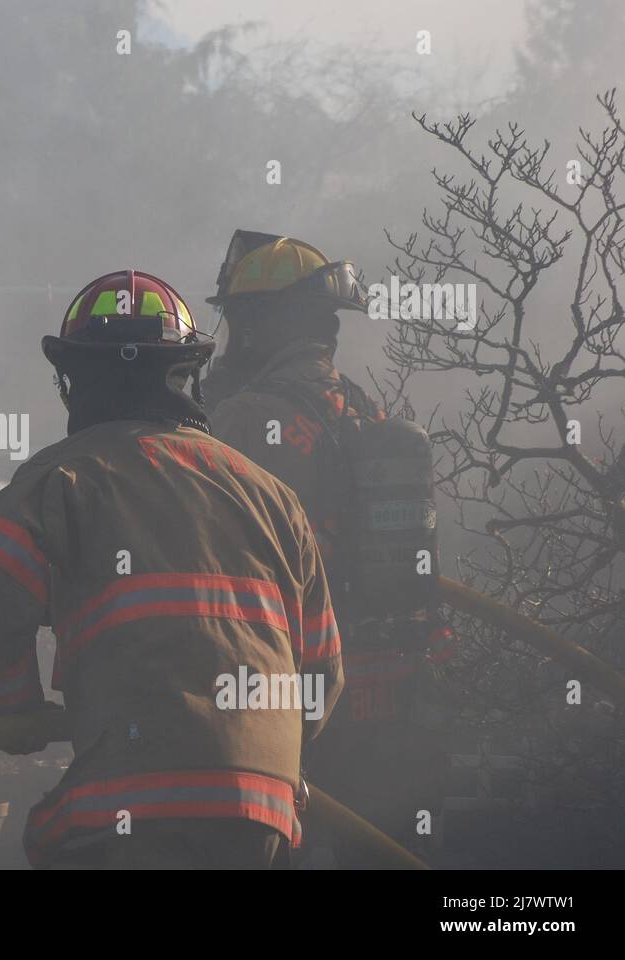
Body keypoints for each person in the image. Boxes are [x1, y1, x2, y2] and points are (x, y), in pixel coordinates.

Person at [0, 269, 343, 869]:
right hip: (260, 811)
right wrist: (261, 750)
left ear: (74, 380)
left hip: (127, 807)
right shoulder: (271, 497)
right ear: (187, 375)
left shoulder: (61, 478)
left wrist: (15, 712)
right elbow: (323, 673)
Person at [201, 231, 449, 863]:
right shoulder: (362, 408)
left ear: (256, 326)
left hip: (301, 698)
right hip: (394, 690)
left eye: (235, 320)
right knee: (387, 853)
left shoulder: (243, 419)